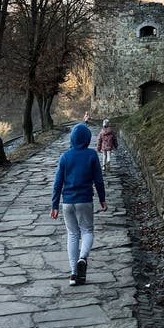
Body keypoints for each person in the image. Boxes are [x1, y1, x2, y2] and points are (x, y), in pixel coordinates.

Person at [50, 122, 107, 286]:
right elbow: (98, 180)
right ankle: (83, 258)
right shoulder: (91, 155)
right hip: (85, 200)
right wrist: (102, 199)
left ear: (72, 138)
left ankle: (74, 274)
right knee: (87, 231)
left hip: (67, 202)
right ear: (87, 139)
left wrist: (54, 205)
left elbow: (57, 183)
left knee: (72, 235)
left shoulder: (65, 157)